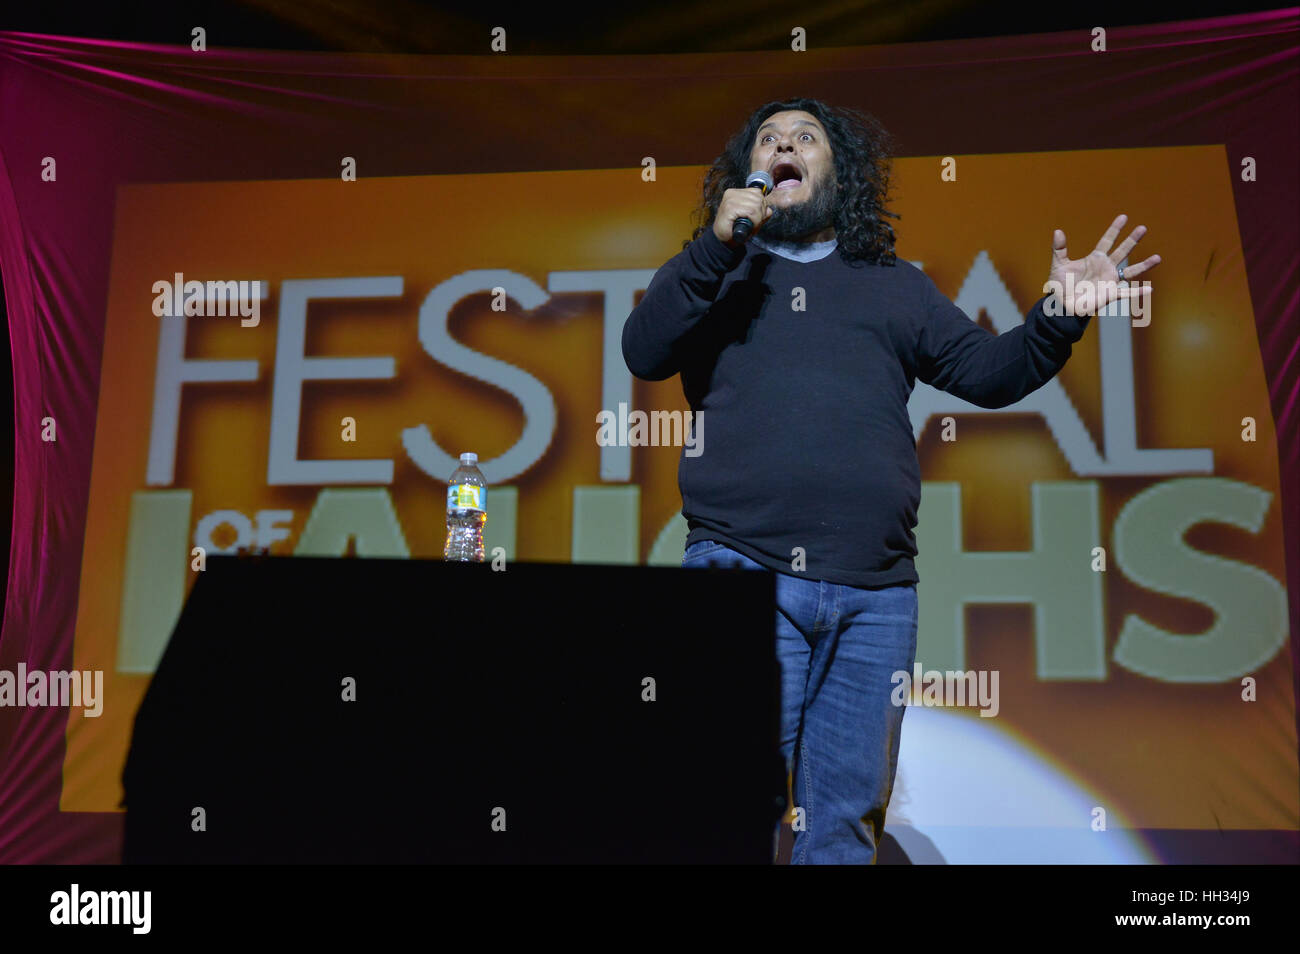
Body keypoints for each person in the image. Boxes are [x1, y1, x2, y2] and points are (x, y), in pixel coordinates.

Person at [621, 97, 1160, 864]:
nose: (786, 145)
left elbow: (987, 374)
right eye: (769, 138)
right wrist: (715, 248)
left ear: (837, 172)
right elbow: (644, 352)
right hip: (742, 571)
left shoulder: (894, 285)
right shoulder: (719, 274)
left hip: (876, 597)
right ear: (746, 175)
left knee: (843, 825)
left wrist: (1057, 316)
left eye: (806, 137)